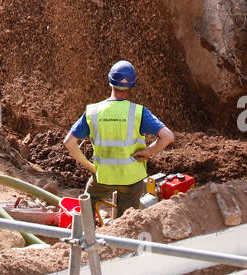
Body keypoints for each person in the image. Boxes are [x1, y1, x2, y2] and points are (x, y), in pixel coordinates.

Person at [63, 60, 175, 216]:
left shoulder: (93, 112)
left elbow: (68, 143)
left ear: (110, 82)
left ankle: (87, 236)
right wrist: (148, 152)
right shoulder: (138, 112)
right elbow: (168, 137)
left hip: (103, 177)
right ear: (131, 86)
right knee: (126, 220)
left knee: (86, 207)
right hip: (131, 179)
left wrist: (89, 166)